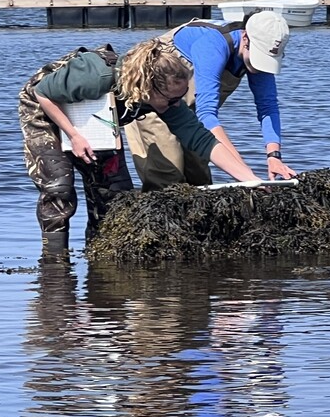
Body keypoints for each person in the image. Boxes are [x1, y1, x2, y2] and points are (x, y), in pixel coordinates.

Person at [19, 38, 267, 259]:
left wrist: (251, 180)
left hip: (99, 120)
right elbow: (43, 93)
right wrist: (74, 135)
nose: (175, 104)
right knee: (59, 186)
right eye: (170, 99)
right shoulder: (98, 76)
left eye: (178, 98)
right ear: (147, 86)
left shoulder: (164, 99)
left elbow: (202, 141)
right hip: (46, 108)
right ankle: (54, 263)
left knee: (115, 195)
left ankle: (98, 264)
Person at [123, 11, 297, 191]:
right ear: (245, 38)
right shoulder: (212, 45)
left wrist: (274, 156)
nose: (261, 66)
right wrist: (246, 175)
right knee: (169, 173)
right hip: (156, 94)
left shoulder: (260, 54)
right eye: (258, 57)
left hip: (191, 110)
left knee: (199, 173)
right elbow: (207, 114)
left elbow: (267, 106)